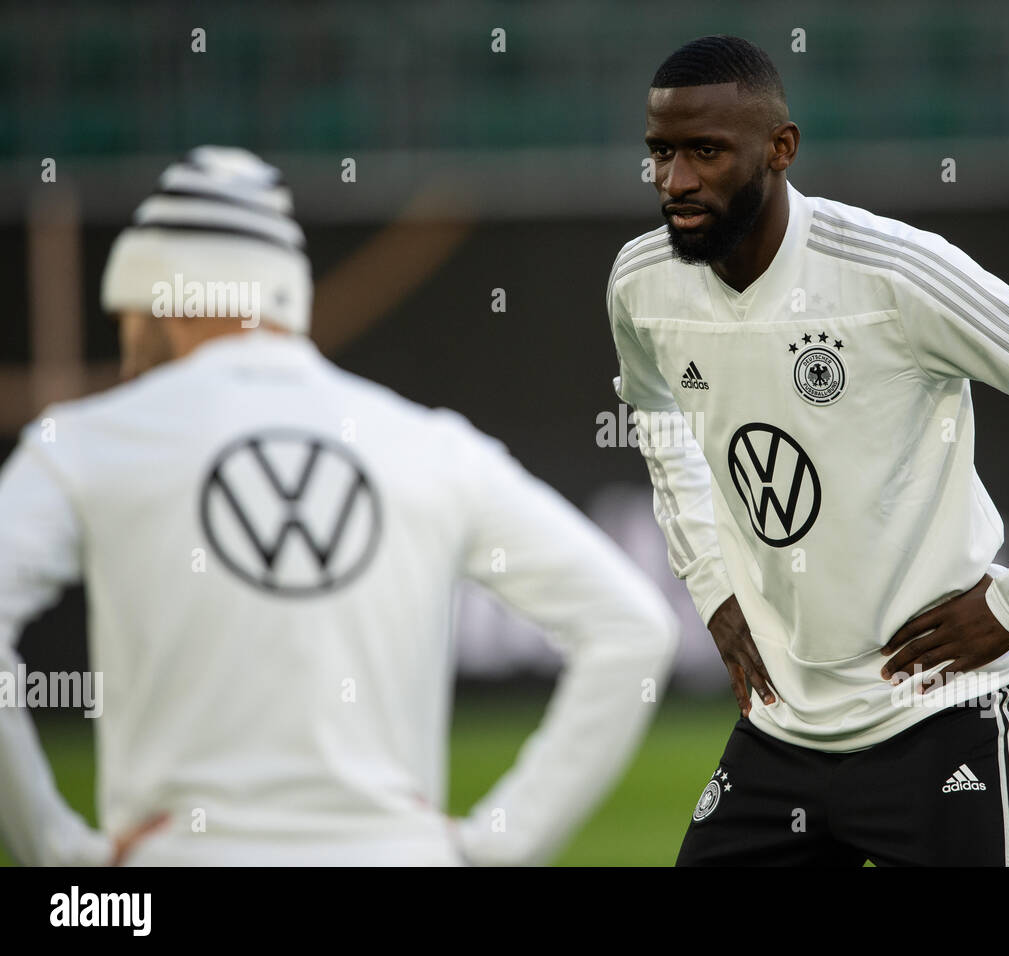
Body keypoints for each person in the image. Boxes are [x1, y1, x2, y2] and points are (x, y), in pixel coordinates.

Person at [0, 146, 677, 866]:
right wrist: (492, 849)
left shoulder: (85, 443)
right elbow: (633, 628)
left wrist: (55, 849)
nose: (128, 347)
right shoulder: (432, 446)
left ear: (155, 298)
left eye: (128, 320)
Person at [606, 36, 1009, 866]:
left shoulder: (891, 273)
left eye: (705, 152)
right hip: (782, 726)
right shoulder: (641, 282)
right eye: (660, 153)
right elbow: (653, 417)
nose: (676, 181)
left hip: (940, 718)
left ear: (781, 149)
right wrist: (710, 581)